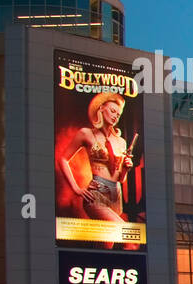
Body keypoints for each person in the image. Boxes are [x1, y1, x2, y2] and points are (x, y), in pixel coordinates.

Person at [57, 91, 140, 250]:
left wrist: (126, 169)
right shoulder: (86, 133)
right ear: (101, 108)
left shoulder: (121, 142)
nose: (116, 116)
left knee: (104, 247)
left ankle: (94, 267)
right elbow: (63, 159)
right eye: (112, 110)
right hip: (96, 193)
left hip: (116, 196)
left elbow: (120, 178)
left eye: (119, 113)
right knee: (128, 235)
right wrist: (76, 188)